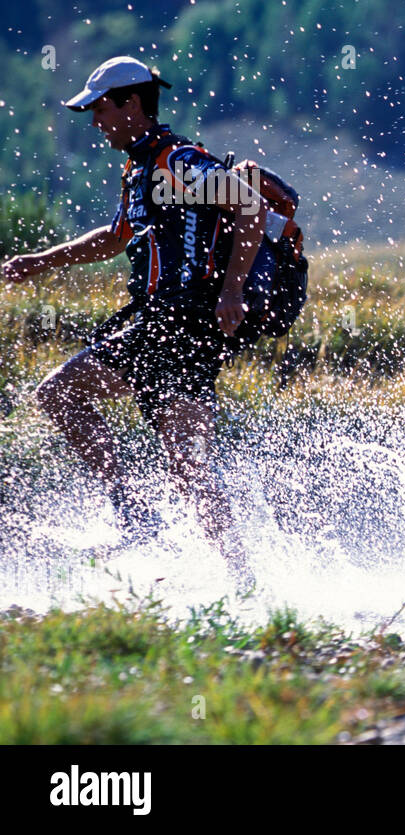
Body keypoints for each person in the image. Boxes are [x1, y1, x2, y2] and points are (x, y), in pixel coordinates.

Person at [2, 56, 267, 581]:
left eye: (100, 109)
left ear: (132, 103)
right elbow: (117, 237)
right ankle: (245, 582)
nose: (95, 122)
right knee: (189, 472)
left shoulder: (178, 162)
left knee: (58, 393)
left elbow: (251, 204)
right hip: (185, 330)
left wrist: (233, 289)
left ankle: (133, 513)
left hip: (174, 321)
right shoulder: (141, 167)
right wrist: (42, 261)